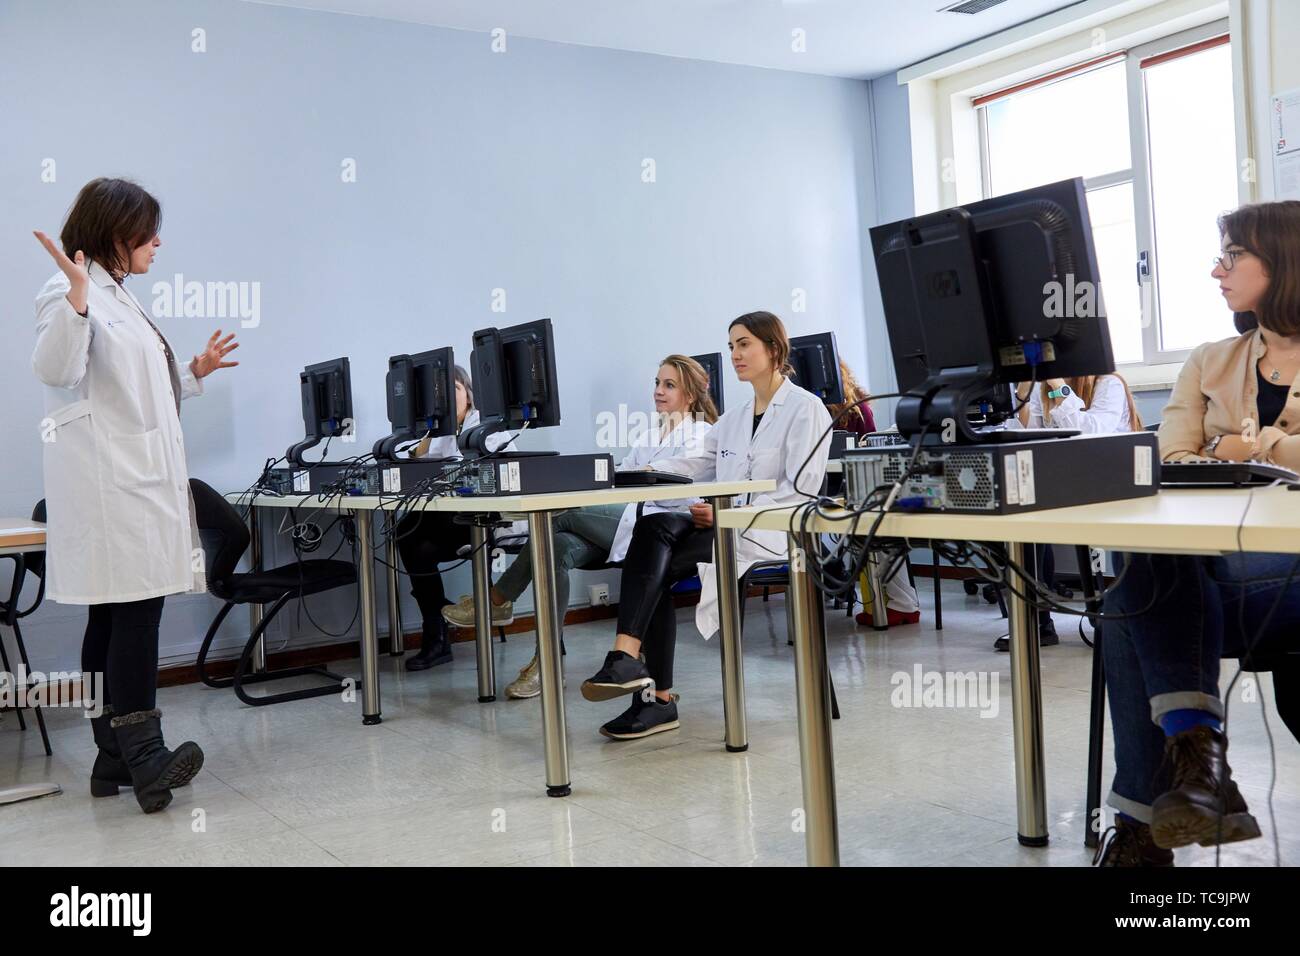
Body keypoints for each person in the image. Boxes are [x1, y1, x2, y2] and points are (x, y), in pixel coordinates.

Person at [1095, 200, 1300, 866]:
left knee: (1129, 607)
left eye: (1233, 256)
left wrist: (1244, 442)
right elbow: (1169, 459)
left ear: (1284, 259)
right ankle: (1197, 769)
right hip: (1225, 580)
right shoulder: (1211, 358)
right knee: (1145, 572)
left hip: (1290, 573)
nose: (1218, 271)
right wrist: (1260, 449)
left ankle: (1143, 824)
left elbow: (1201, 453)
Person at [31, 178, 239, 813]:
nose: (158, 242)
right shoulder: (72, 291)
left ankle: (110, 758)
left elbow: (129, 386)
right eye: (148, 232)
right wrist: (75, 300)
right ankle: (146, 757)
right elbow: (58, 369)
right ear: (116, 234)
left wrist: (192, 374)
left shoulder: (115, 297)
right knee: (136, 612)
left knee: (112, 614)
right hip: (110, 484)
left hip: (128, 477)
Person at [579, 312, 832, 740]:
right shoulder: (733, 418)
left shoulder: (806, 409)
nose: (734, 354)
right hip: (728, 526)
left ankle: (653, 696)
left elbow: (801, 493)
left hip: (771, 532)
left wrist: (727, 513)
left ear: (774, 349)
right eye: (731, 345)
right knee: (652, 534)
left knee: (650, 565)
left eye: (744, 344)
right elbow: (697, 464)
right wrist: (645, 471)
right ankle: (628, 662)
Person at [443, 356, 718, 698]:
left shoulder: (704, 433)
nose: (658, 392)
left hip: (656, 528)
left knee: (564, 513)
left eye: (669, 385)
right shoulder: (651, 434)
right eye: (657, 383)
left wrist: (625, 475)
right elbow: (621, 476)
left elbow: (665, 475)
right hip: (627, 519)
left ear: (690, 394)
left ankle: (498, 597)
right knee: (553, 547)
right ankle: (546, 663)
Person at [995, 374, 1145, 651]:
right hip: (1070, 480)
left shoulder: (1108, 384)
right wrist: (1022, 395)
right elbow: (1027, 435)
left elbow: (1090, 432)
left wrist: (1058, 387)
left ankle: (1118, 618)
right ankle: (1037, 623)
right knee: (1024, 519)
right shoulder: (1043, 391)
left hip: (1113, 482)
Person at [393, 365, 512, 670]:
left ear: (469, 397)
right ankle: (437, 625)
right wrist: (428, 433)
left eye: (454, 390)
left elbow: (499, 476)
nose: (447, 397)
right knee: (406, 532)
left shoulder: (488, 428)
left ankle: (437, 628)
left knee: (413, 534)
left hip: (484, 520)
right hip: (446, 521)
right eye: (440, 393)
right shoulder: (438, 431)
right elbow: (408, 456)